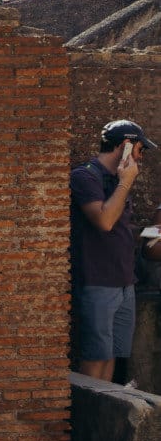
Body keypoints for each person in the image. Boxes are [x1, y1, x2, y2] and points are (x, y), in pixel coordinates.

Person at [70, 120, 152, 382]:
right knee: (95, 356)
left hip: (124, 282)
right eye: (140, 150)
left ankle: (103, 420)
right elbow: (104, 221)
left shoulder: (117, 179)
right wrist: (125, 183)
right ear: (125, 146)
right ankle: (87, 423)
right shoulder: (85, 176)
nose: (141, 158)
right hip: (97, 281)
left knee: (111, 356)